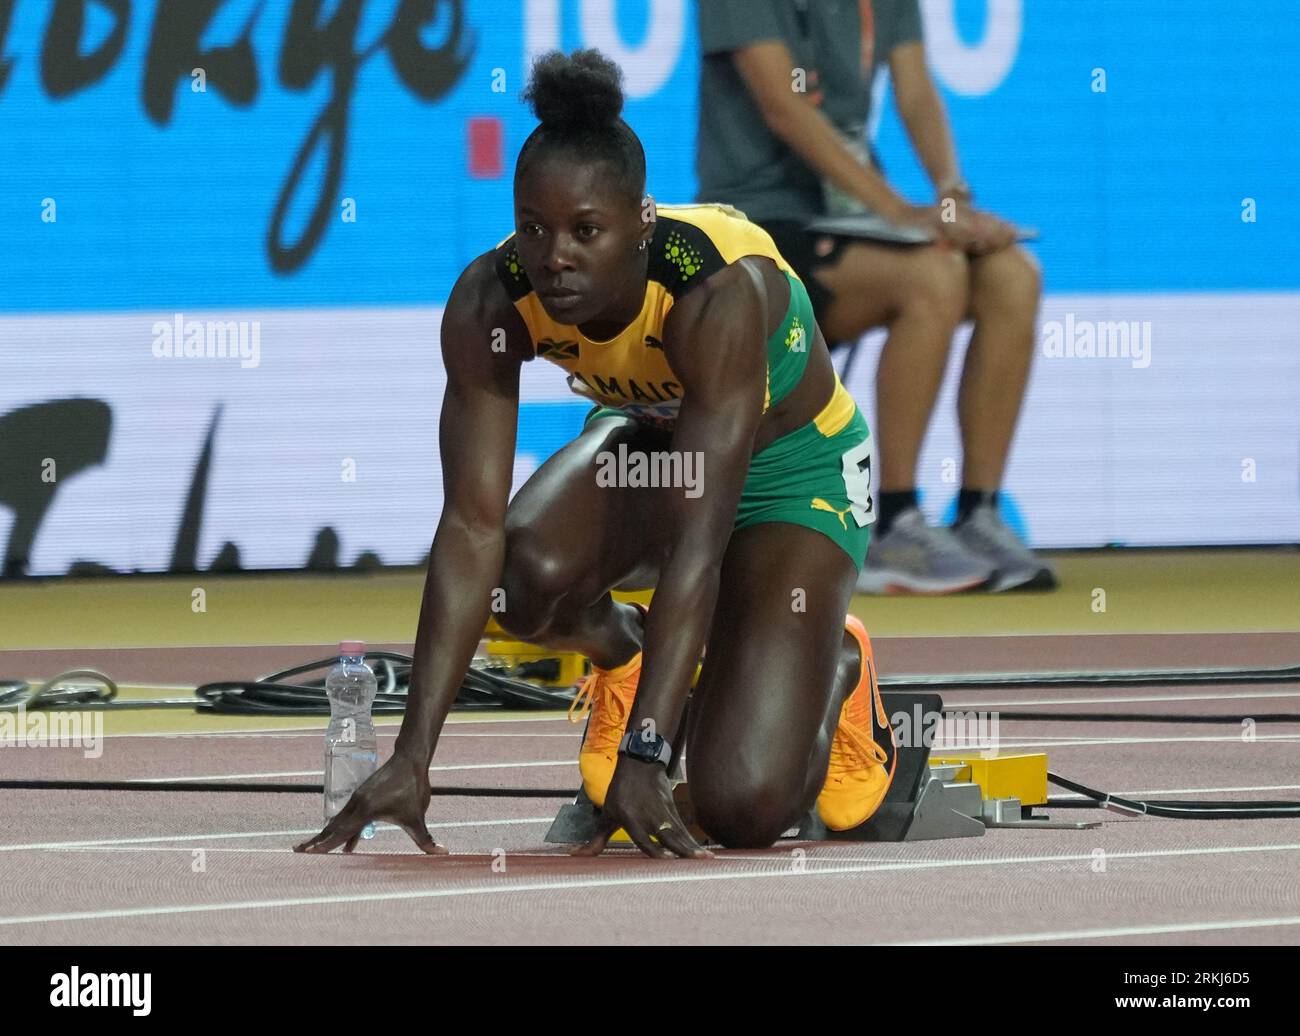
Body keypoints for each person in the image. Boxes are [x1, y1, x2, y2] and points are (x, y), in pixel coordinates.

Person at [295, 49, 897, 858]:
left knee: (745, 807)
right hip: (653, 450)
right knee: (515, 584)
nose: (556, 258)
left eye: (586, 231)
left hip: (793, 473)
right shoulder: (491, 301)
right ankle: (625, 654)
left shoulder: (711, 295)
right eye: (535, 228)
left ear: (641, 221)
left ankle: (835, 670)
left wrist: (648, 756)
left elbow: (697, 546)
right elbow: (471, 530)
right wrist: (413, 755)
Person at [696, 0, 1055, 593]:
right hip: (762, 226)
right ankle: (893, 518)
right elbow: (782, 107)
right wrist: (898, 212)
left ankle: (978, 512)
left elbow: (914, 90)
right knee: (931, 275)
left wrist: (948, 197)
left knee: (1013, 276)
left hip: (854, 221)